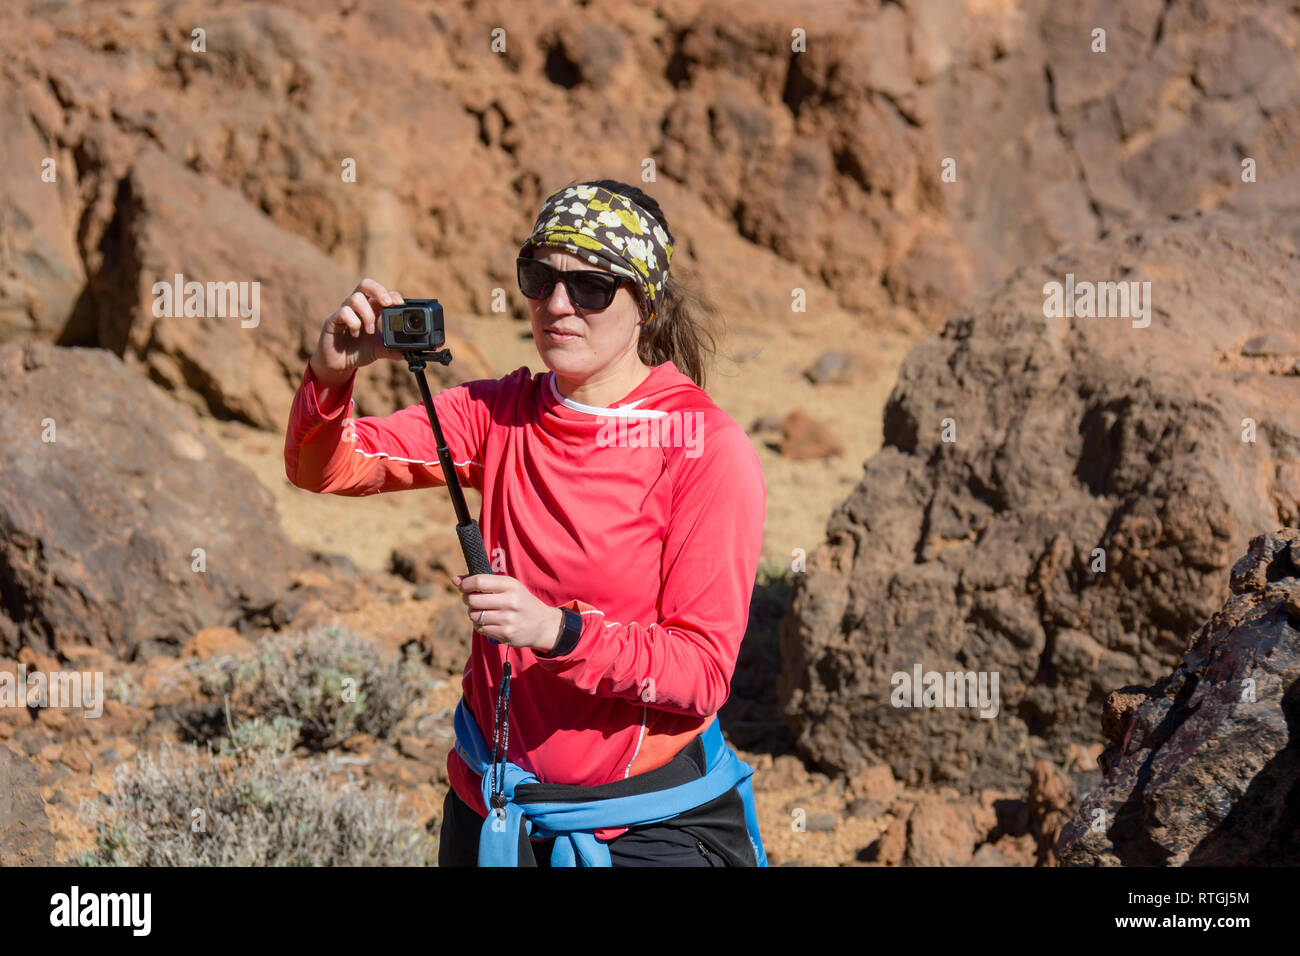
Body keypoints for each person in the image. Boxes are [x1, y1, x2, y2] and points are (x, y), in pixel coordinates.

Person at [284, 180, 767, 866]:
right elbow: (326, 467)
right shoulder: (496, 413)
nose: (558, 305)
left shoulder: (704, 448)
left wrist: (555, 630)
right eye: (540, 278)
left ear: (646, 304)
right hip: (494, 812)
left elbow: (700, 672)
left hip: (645, 826)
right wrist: (330, 376)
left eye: (592, 287)